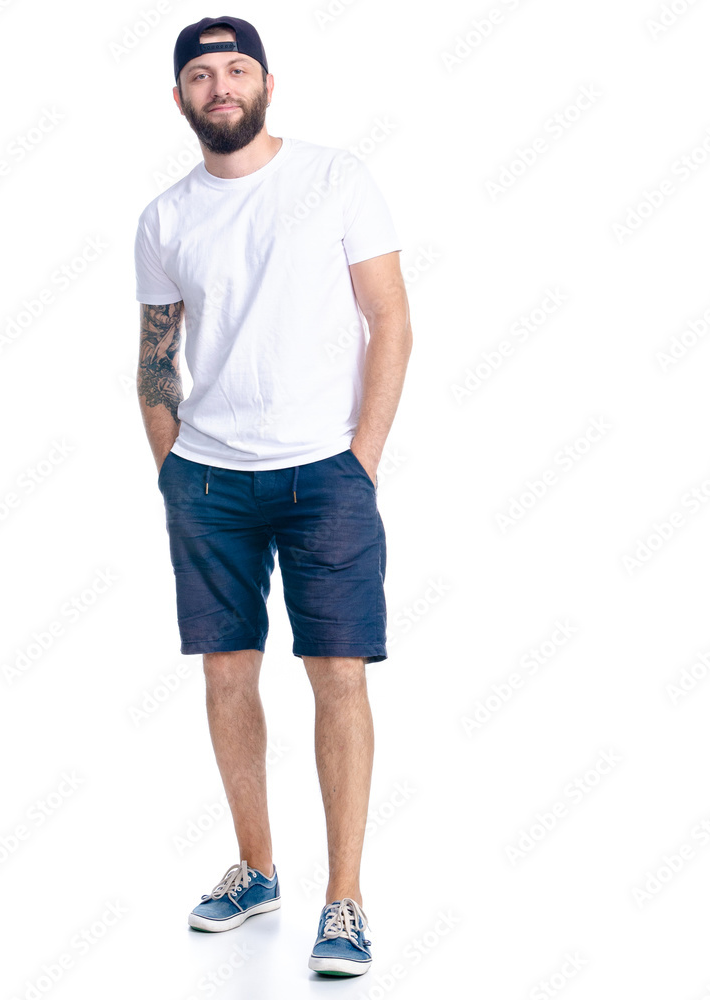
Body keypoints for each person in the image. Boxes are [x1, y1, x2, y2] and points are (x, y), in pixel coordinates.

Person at [134, 15, 412, 978]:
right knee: (224, 677)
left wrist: (360, 460)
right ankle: (257, 869)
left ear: (267, 84)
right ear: (179, 98)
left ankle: (346, 900)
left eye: (236, 69)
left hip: (325, 474)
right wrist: (172, 466)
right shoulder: (166, 217)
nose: (221, 86)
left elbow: (391, 322)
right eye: (201, 75)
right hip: (208, 481)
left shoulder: (335, 179)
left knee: (338, 676)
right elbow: (156, 359)